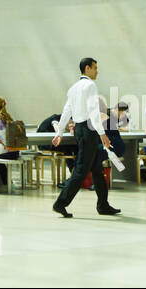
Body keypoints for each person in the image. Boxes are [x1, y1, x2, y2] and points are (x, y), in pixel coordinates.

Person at [51, 58, 120, 218]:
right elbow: (93, 111)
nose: (97, 71)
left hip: (80, 129)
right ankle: (60, 203)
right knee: (81, 170)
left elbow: (66, 110)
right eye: (95, 68)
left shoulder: (73, 88)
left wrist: (59, 132)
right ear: (87, 68)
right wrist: (102, 134)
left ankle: (103, 205)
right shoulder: (90, 85)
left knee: (97, 169)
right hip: (89, 130)